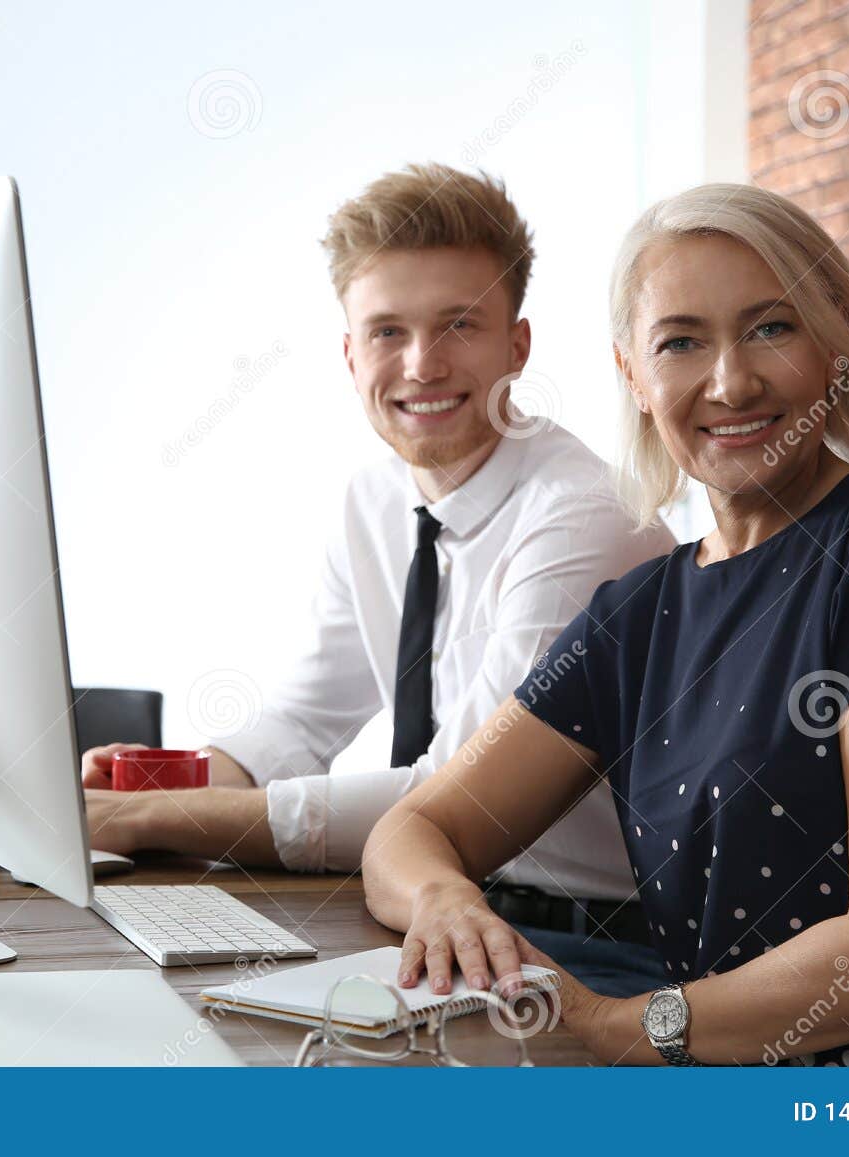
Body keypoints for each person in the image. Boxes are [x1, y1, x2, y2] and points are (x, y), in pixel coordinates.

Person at [361, 182, 849, 1066]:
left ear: (837, 337)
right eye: (680, 342)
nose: (731, 381)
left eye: (772, 327)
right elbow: (410, 832)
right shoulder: (637, 617)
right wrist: (445, 899)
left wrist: (623, 1024)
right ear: (635, 378)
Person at [79, 163, 676, 994]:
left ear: (519, 344)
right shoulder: (373, 500)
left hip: (584, 948)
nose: (422, 364)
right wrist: (158, 778)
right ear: (350, 352)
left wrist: (149, 820)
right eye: (388, 331)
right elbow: (300, 719)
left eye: (459, 324)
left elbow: (458, 796)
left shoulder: (584, 515)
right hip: (428, 911)